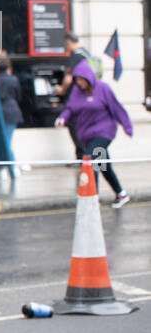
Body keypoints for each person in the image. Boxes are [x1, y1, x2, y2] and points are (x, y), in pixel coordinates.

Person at [55, 58, 133, 208]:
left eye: (81, 80)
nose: (79, 83)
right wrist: (62, 119)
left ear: (89, 78)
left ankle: (92, 197)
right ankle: (121, 193)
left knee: (90, 160)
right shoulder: (77, 92)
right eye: (77, 80)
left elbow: (117, 108)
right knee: (103, 165)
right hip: (87, 134)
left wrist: (127, 126)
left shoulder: (103, 89)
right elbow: (70, 108)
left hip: (104, 132)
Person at [59, 32, 103, 158]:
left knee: (74, 125)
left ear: (69, 42)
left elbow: (68, 79)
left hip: (77, 96)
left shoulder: (75, 56)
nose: (66, 47)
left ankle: (83, 155)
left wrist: (61, 89)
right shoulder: (86, 54)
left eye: (65, 44)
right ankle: (88, 154)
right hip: (88, 96)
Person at [0, 55, 24, 178]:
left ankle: (6, 167)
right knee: (6, 141)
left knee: (4, 142)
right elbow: (19, 96)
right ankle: (10, 167)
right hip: (11, 111)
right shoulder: (13, 80)